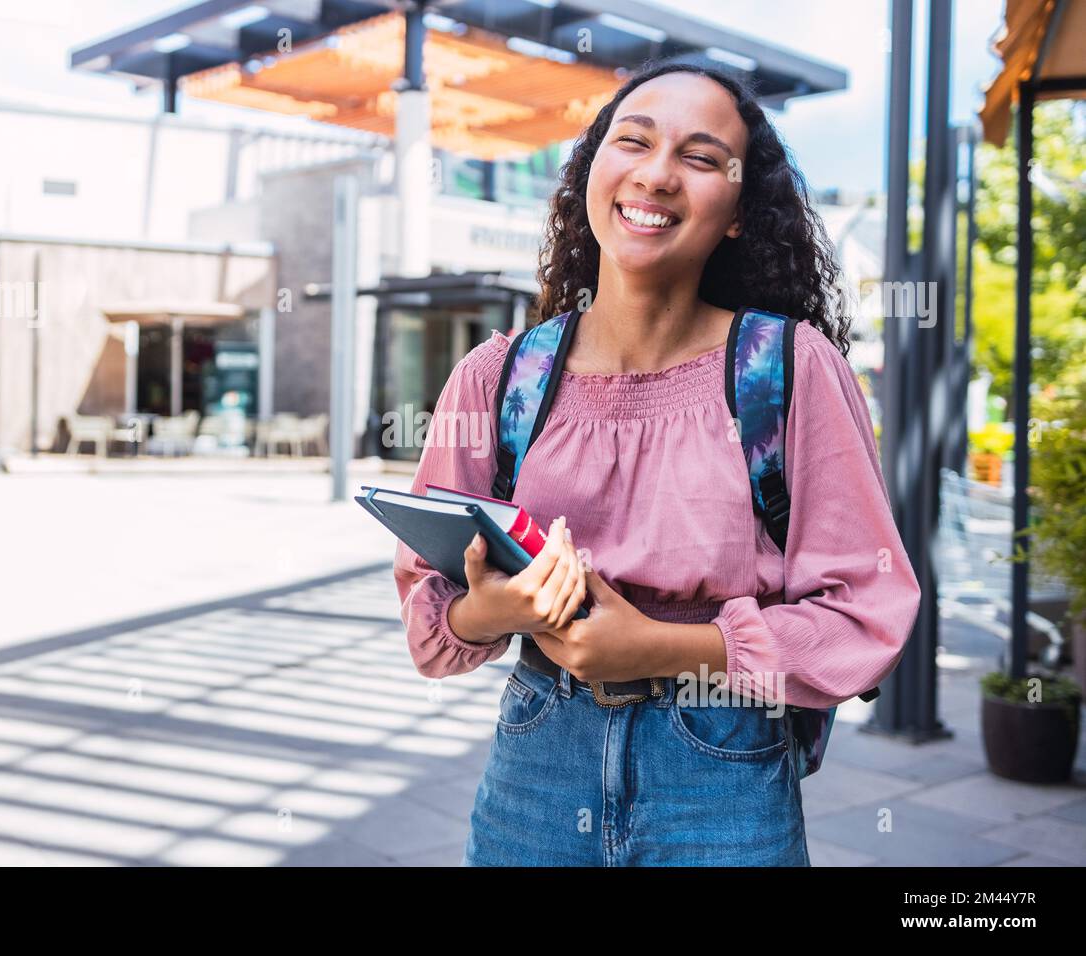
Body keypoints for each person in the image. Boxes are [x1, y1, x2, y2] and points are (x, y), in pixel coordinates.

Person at [392, 58, 922, 867]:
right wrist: (495, 610)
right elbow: (434, 616)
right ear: (591, 173)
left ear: (740, 212)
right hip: (536, 767)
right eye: (631, 141)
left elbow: (865, 611)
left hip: (720, 772)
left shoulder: (788, 370)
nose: (657, 174)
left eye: (701, 158)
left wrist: (665, 648)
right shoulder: (497, 377)